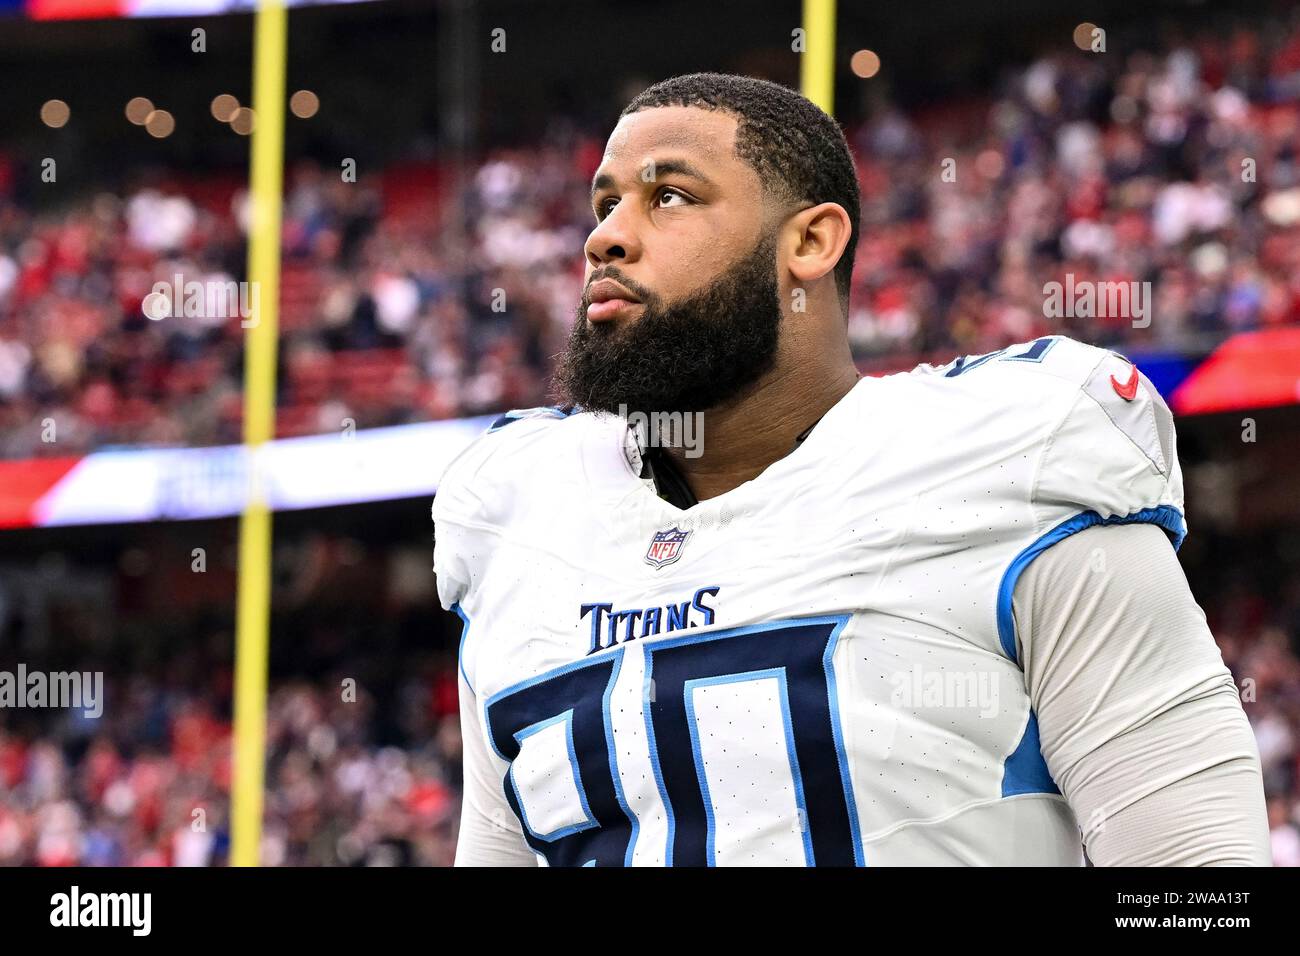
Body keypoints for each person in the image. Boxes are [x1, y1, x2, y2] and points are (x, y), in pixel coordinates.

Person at [433, 72, 1270, 866]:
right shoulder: (522, 524)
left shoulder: (1008, 469)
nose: (606, 234)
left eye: (670, 197)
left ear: (810, 241)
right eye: (606, 202)